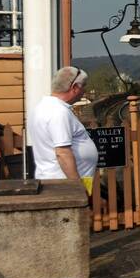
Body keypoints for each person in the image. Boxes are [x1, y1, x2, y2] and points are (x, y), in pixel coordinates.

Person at [27, 66, 98, 194]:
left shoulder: (43, 107)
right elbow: (62, 153)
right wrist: (77, 189)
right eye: (83, 86)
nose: (84, 91)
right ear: (75, 87)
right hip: (64, 187)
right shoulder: (58, 112)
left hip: (56, 182)